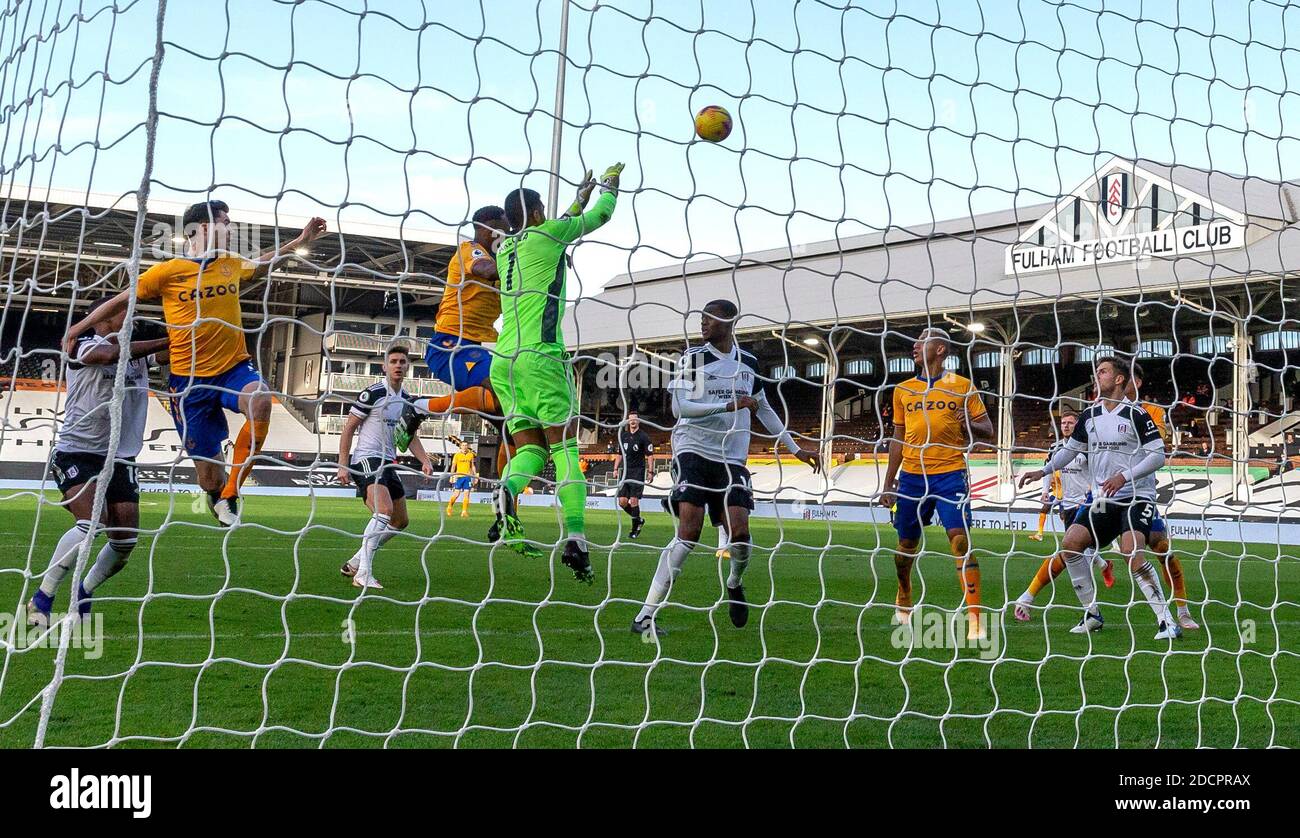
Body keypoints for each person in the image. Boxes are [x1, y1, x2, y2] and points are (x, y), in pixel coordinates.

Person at [62, 200, 327, 526]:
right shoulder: (167, 272)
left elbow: (263, 262)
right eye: (225, 222)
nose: (230, 229)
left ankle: (232, 493)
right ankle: (218, 493)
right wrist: (77, 328)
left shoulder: (230, 263)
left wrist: (300, 241)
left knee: (260, 401)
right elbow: (121, 299)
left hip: (233, 369)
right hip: (188, 384)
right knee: (208, 480)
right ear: (203, 228)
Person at [631, 299, 820, 636]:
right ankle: (645, 615)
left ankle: (734, 583)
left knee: (742, 535)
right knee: (689, 530)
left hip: (732, 459)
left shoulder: (748, 363)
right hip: (693, 450)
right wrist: (729, 404)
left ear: (729, 322)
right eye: (702, 318)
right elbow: (680, 408)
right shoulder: (694, 359)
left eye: (710, 318)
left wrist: (795, 448)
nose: (703, 323)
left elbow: (763, 408)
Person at [489, 164, 624, 584]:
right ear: (533, 214)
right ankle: (578, 538)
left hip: (503, 361)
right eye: (542, 208)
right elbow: (599, 218)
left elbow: (558, 224)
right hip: (540, 357)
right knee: (566, 449)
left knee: (531, 449)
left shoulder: (505, 249)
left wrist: (576, 197)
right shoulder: (547, 235)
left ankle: (506, 491)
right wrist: (609, 189)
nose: (548, 214)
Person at [1018, 357, 1181, 640]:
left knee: (1132, 553)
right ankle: (1092, 614)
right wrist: (1042, 470)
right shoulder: (1089, 416)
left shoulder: (1137, 414)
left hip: (1136, 496)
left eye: (1103, 371)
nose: (1097, 376)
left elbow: (1158, 456)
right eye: (1097, 371)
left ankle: (1166, 621)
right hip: (1104, 498)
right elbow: (1070, 450)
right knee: (1070, 545)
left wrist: (1124, 476)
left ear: (1119, 379)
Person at [29, 305, 169, 627]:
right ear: (103, 319)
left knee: (124, 542)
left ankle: (84, 590)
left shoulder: (135, 353)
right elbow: (107, 356)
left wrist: (189, 335)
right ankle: (42, 598)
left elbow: (164, 356)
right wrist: (168, 340)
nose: (130, 318)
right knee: (92, 523)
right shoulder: (82, 344)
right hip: (77, 452)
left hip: (120, 456)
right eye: (124, 313)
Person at [880, 328, 995, 641]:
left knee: (959, 541)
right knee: (905, 548)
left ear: (941, 348)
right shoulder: (903, 389)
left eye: (922, 340)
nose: (915, 345)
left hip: (950, 474)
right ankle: (904, 593)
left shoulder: (962, 386)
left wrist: (965, 421)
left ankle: (975, 619)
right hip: (912, 478)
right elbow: (898, 438)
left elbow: (988, 430)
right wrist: (889, 482)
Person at [336, 345, 434, 590]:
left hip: (389, 462)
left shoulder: (406, 399)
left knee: (400, 521)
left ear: (408, 366)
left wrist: (424, 459)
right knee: (383, 511)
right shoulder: (374, 393)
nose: (398, 365)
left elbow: (408, 435)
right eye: (393, 361)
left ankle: (358, 560)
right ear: (385, 366)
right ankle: (364, 574)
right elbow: (348, 427)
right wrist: (342, 465)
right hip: (367, 459)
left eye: (402, 361)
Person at [1013, 413, 1114, 622]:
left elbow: (1098, 474)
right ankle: (1101, 578)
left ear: (1078, 425)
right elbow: (1050, 469)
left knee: (1071, 553)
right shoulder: (1056, 448)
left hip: (1088, 504)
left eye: (1070, 423)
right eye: (1063, 423)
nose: (1066, 426)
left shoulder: (1087, 447)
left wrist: (1090, 495)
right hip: (1067, 504)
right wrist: (1044, 490)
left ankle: (1028, 597)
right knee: (1076, 554)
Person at [613, 411, 653, 539]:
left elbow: (650, 455)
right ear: (628, 421)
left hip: (638, 472)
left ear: (638, 421)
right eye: (630, 420)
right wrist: (615, 468)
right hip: (625, 472)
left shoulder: (644, 437)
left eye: (635, 419)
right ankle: (638, 520)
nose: (633, 421)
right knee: (622, 502)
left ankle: (634, 529)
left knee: (634, 500)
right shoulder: (623, 436)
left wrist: (651, 472)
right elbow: (619, 454)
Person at [445, 439, 478, 518]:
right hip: (459, 476)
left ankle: (464, 511)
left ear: (468, 446)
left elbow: (472, 466)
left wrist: (475, 476)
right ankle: (449, 507)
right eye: (463, 445)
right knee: (456, 494)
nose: (464, 447)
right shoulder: (457, 455)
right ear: (460, 447)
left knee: (467, 494)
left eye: (466, 445)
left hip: (467, 477)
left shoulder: (470, 455)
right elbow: (453, 466)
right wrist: (452, 476)